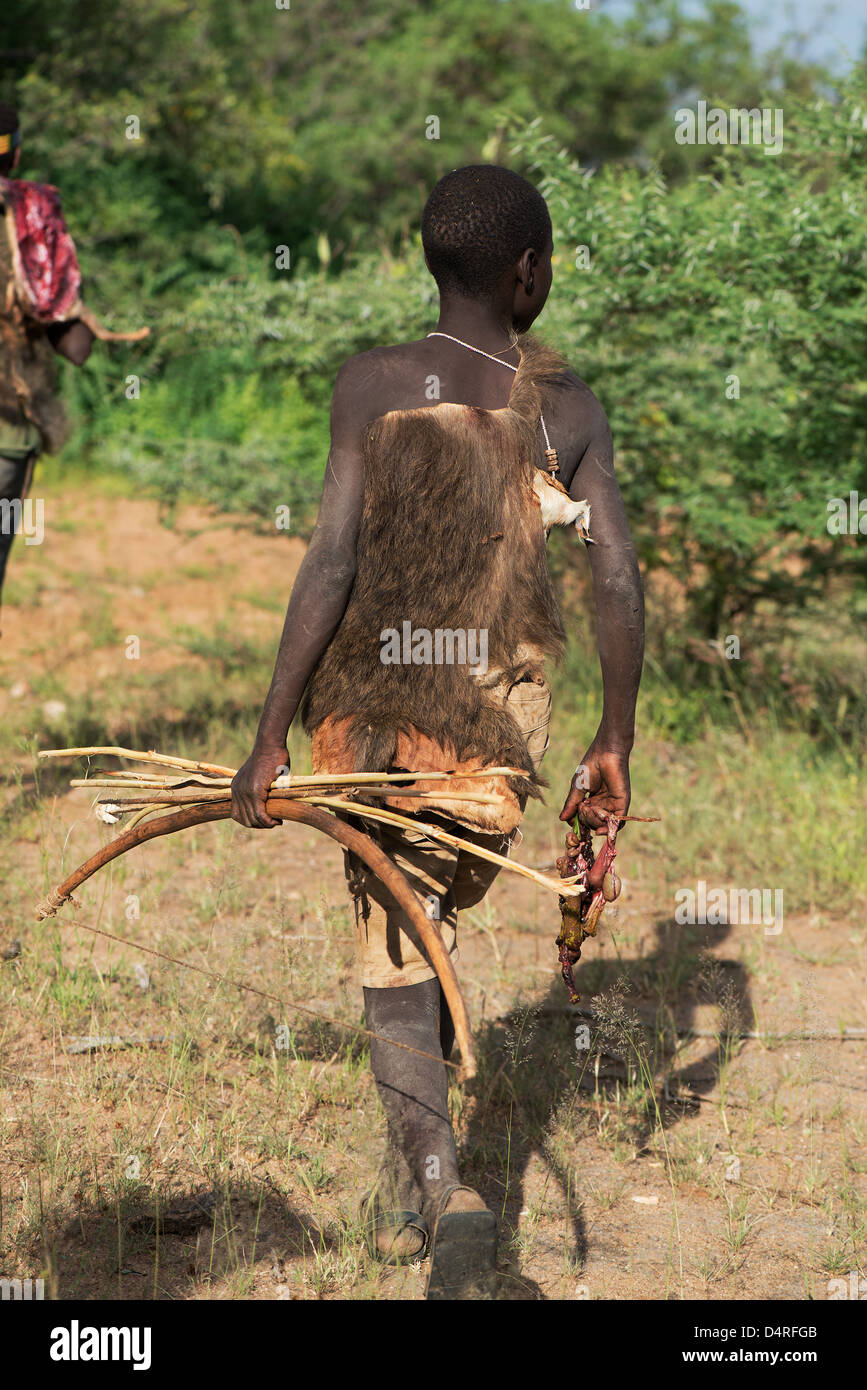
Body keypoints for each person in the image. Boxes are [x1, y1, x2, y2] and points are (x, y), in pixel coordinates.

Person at [231, 165, 644, 1299]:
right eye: (547, 261)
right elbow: (618, 578)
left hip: (366, 724)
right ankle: (431, 1187)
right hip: (494, 742)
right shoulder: (566, 411)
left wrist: (270, 735)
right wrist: (613, 738)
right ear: (527, 274)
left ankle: (439, 1190)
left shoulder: (368, 385)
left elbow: (331, 562)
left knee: (397, 938)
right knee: (419, 918)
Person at [0, 101, 94, 613]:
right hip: (6, 442)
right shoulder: (32, 217)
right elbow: (75, 348)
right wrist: (76, 307)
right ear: (13, 154)